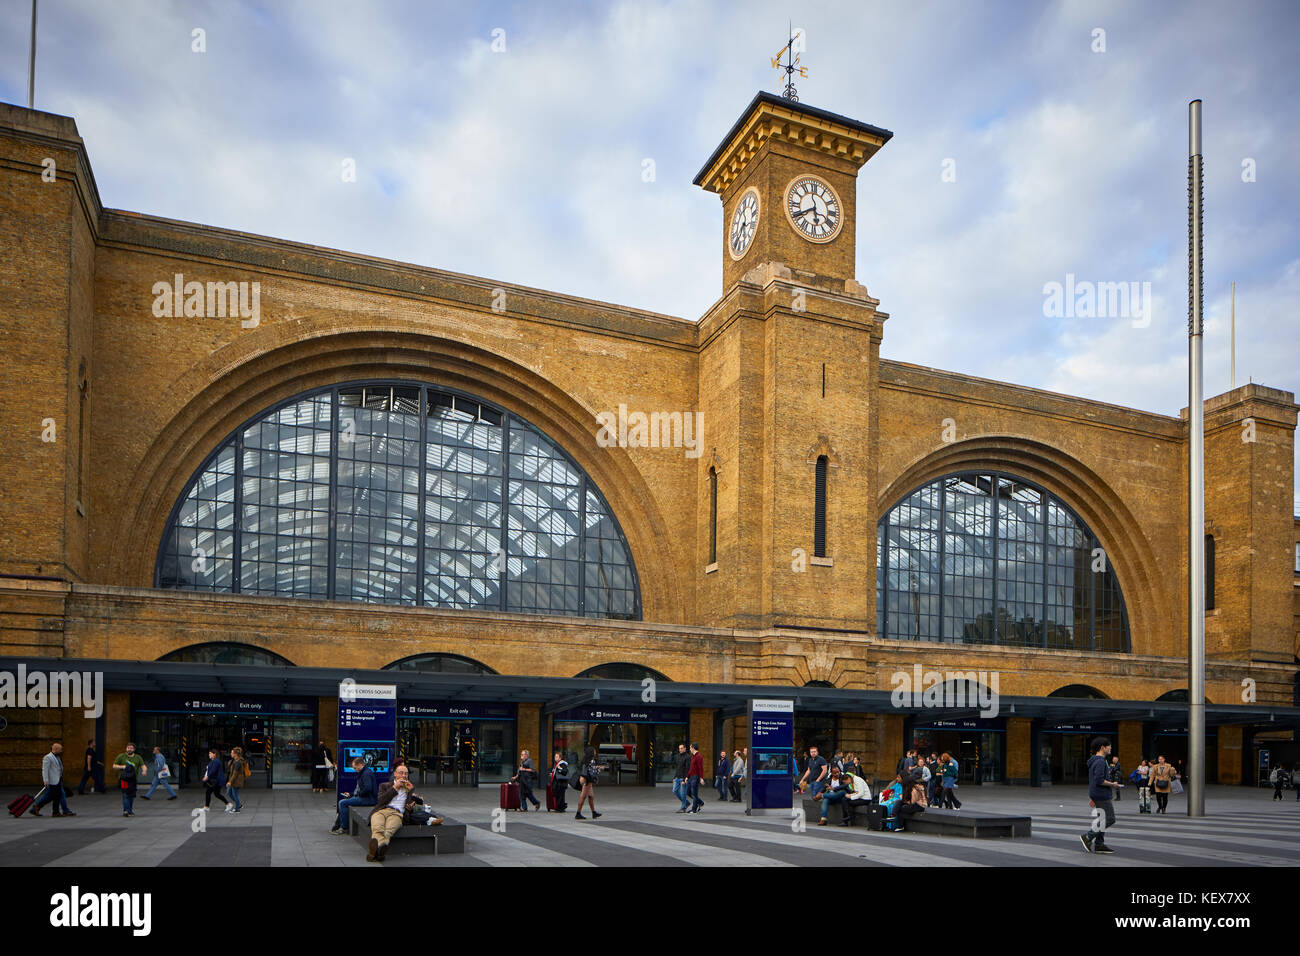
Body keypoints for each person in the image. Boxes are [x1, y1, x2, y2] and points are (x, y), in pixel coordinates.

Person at [365, 763, 441, 862]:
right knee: (377, 828)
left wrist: (410, 805)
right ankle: (380, 852)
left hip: (397, 813)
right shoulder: (384, 786)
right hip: (381, 811)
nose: (404, 776)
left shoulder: (409, 788)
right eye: (401, 773)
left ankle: (374, 853)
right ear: (395, 774)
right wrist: (395, 788)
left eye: (406, 774)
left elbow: (410, 804)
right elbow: (381, 801)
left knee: (388, 831)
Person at [1080, 737, 1120, 854]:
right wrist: (1113, 784)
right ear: (1103, 747)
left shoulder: (1095, 760)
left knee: (1102, 818)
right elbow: (1099, 780)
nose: (1110, 748)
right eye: (1109, 746)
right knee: (1110, 819)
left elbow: (1093, 780)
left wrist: (1092, 796)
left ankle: (1099, 844)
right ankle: (1088, 837)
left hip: (1097, 793)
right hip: (1102, 794)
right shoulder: (1100, 761)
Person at [331, 756, 377, 834]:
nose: (354, 769)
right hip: (366, 797)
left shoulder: (366, 774)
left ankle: (344, 827)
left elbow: (368, 788)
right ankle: (339, 825)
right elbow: (361, 788)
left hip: (368, 799)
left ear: (360, 765)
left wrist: (358, 795)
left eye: (355, 767)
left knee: (342, 803)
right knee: (344, 802)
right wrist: (351, 794)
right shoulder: (365, 772)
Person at [30, 742, 74, 817]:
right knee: (56, 796)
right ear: (55, 749)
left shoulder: (57, 757)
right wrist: (45, 780)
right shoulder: (48, 757)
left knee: (52, 796)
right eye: (60, 749)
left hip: (58, 780)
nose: (61, 751)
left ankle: (37, 808)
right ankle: (56, 812)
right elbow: (45, 770)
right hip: (52, 781)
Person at [112, 743, 146, 817]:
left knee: (131, 795)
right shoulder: (121, 756)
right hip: (124, 779)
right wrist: (123, 766)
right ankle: (126, 811)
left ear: (134, 749)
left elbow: (143, 765)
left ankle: (129, 810)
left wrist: (144, 771)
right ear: (126, 748)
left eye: (131, 748)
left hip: (133, 780)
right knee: (125, 794)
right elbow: (114, 766)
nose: (129, 749)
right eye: (128, 748)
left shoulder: (138, 757)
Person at [574, 746, 601, 820]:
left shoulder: (585, 760)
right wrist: (599, 769)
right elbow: (592, 772)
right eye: (594, 751)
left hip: (586, 779)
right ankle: (578, 813)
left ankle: (593, 812)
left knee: (591, 796)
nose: (595, 752)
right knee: (583, 796)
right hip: (588, 780)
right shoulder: (591, 761)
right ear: (592, 753)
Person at [226, 746, 248, 813]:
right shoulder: (234, 760)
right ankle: (239, 804)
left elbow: (235, 774)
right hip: (233, 780)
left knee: (235, 794)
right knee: (229, 792)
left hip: (236, 781)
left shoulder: (238, 762)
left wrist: (230, 782)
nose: (231, 753)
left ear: (235, 754)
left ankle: (237, 809)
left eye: (232, 752)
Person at [672, 743, 691, 813]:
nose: (680, 749)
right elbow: (677, 768)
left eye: (681, 748)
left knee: (683, 793)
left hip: (683, 778)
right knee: (674, 791)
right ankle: (686, 802)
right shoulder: (677, 756)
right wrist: (674, 777)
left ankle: (683, 808)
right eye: (679, 748)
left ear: (685, 748)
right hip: (677, 777)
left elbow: (687, 769)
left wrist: (685, 779)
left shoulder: (688, 757)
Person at [687, 742, 705, 813]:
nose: (690, 749)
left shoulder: (699, 757)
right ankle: (700, 802)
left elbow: (700, 768)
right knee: (688, 791)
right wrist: (687, 777)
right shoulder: (693, 756)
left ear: (693, 748)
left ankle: (694, 809)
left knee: (694, 793)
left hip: (696, 777)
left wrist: (701, 778)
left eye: (690, 748)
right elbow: (691, 768)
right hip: (691, 777)